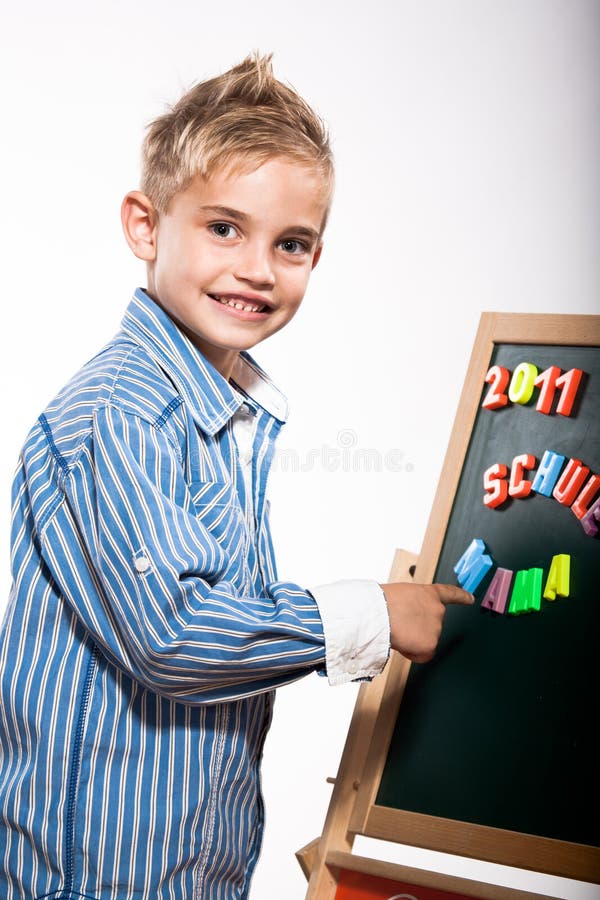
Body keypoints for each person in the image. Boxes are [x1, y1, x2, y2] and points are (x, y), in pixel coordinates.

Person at [0, 53, 473, 899]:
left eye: (289, 243)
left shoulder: (217, 416)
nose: (258, 268)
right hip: (94, 880)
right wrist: (371, 613)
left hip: (188, 871)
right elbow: (175, 636)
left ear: (316, 257)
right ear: (146, 226)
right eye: (224, 228)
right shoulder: (122, 414)